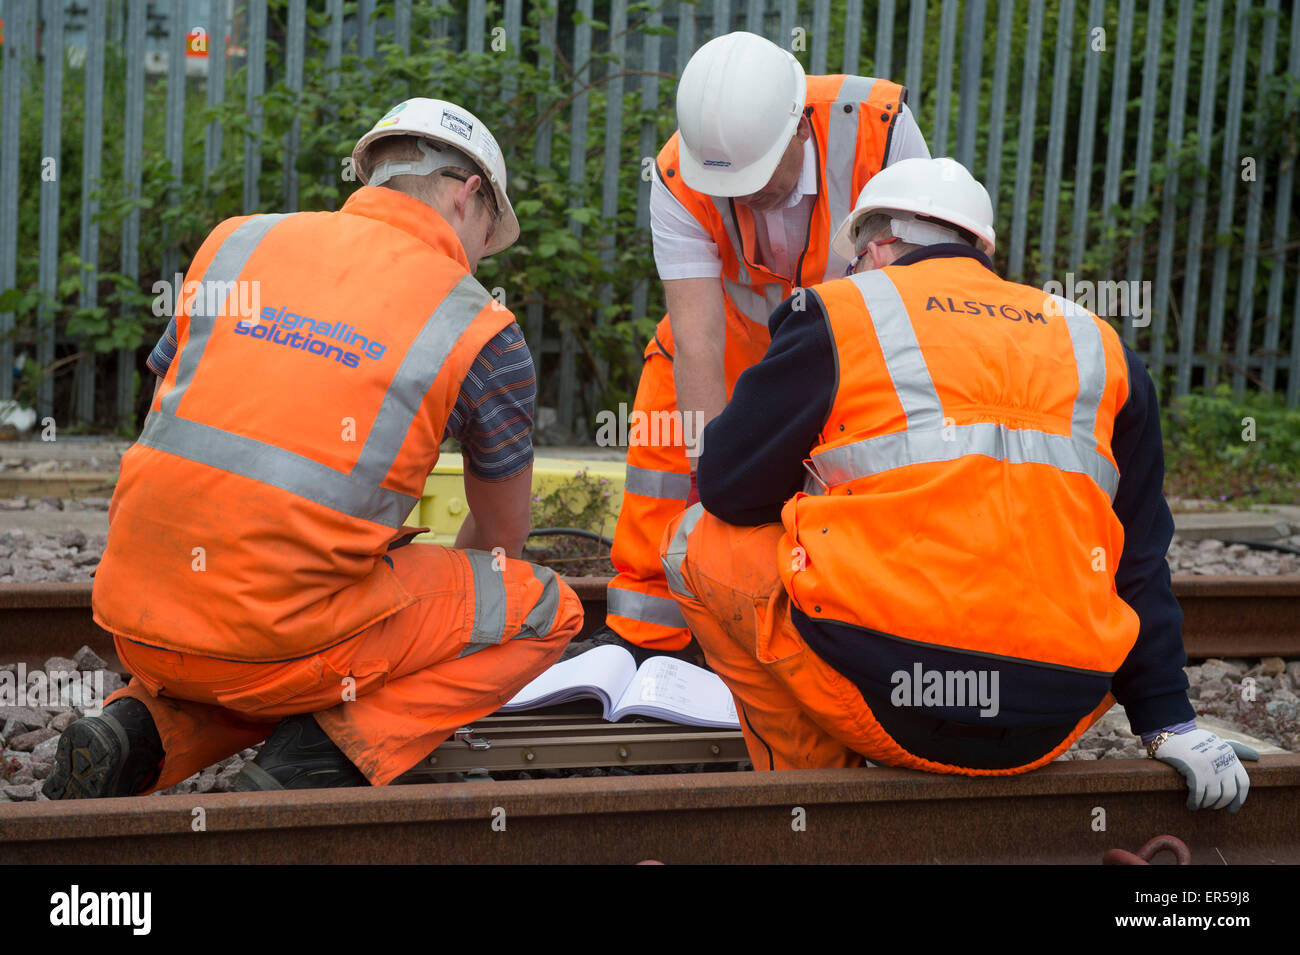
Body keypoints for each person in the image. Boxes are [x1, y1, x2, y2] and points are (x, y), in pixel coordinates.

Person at [658, 156, 1256, 811]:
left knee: (695, 540)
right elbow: (1140, 559)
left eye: (855, 261)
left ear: (879, 246)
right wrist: (1169, 720)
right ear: (978, 247)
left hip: (890, 703)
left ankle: (809, 788)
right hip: (1052, 717)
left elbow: (726, 488)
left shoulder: (841, 310)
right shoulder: (1097, 343)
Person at [44, 97, 584, 798]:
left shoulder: (236, 243)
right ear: (468, 193)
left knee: (274, 637)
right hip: (275, 642)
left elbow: (170, 424)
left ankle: (141, 733)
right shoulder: (478, 322)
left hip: (138, 619)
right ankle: (322, 755)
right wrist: (394, 604)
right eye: (489, 231)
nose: (481, 254)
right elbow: (502, 540)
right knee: (546, 608)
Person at [598, 32, 932, 665]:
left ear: (799, 129)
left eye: (759, 178)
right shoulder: (679, 174)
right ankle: (653, 643)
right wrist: (708, 484)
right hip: (728, 347)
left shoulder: (879, 133)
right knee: (670, 390)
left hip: (854, 345)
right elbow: (697, 337)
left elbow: (912, 299)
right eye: (733, 186)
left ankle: (854, 623)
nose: (745, 198)